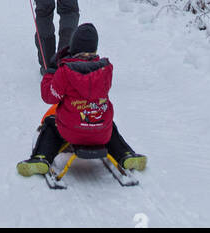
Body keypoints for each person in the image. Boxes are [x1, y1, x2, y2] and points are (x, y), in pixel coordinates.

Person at [16, 23, 146, 176]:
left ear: (73, 47)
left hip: (71, 132)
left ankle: (41, 157)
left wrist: (51, 72)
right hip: (100, 132)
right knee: (110, 127)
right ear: (95, 49)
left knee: (51, 124)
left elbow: (49, 97)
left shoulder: (65, 71)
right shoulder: (106, 69)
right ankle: (126, 155)